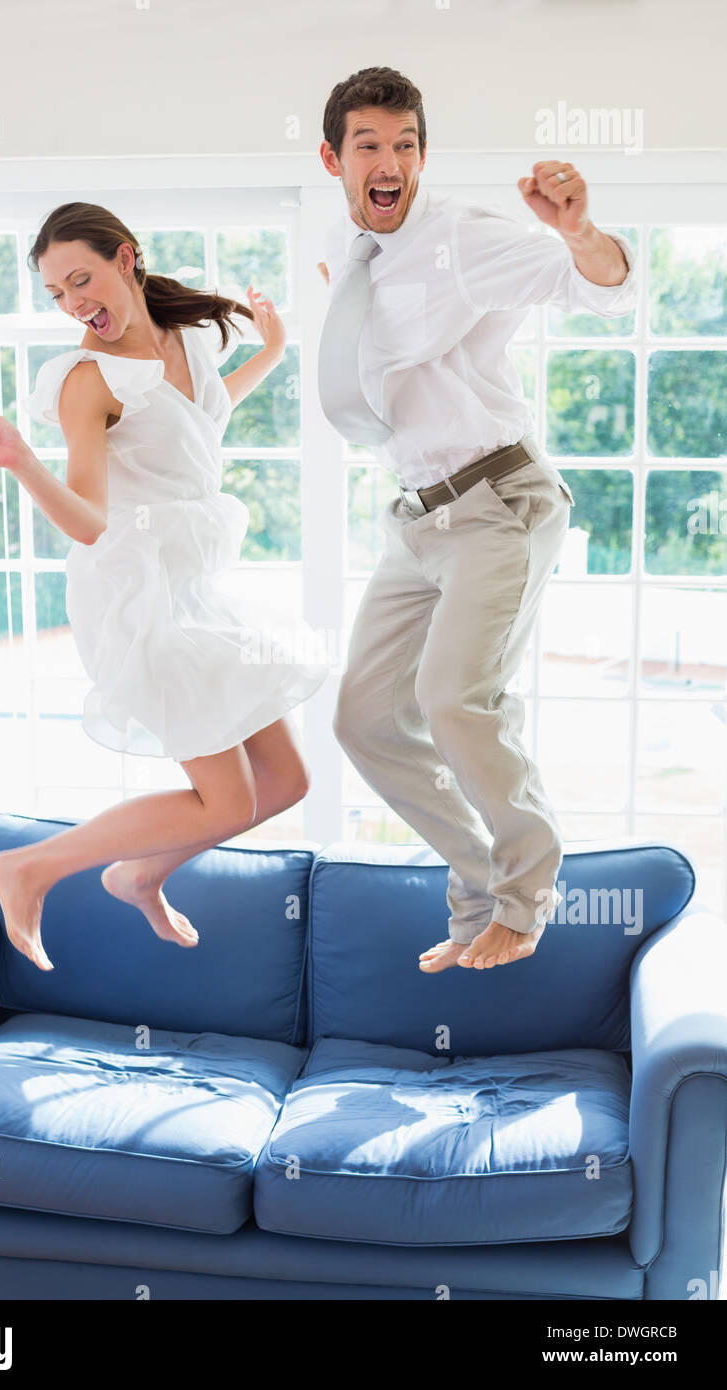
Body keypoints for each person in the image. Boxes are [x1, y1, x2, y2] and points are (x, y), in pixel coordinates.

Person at [0, 202, 328, 971]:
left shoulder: (186, 337)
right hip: (139, 594)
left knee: (285, 782)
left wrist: (277, 350)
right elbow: (88, 522)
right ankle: (28, 868)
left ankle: (142, 873)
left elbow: (199, 417)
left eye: (80, 280)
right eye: (56, 293)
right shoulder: (88, 379)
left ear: (127, 258)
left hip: (196, 588)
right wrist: (23, 461)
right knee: (228, 800)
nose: (74, 305)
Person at [317, 68, 637, 974]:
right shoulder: (353, 257)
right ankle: (474, 889)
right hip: (416, 519)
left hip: (498, 499)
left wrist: (579, 234)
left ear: (423, 155)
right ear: (334, 158)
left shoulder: (458, 236)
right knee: (364, 718)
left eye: (406, 145)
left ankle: (527, 899)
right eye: (370, 146)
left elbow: (601, 289)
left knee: (456, 698)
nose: (390, 163)